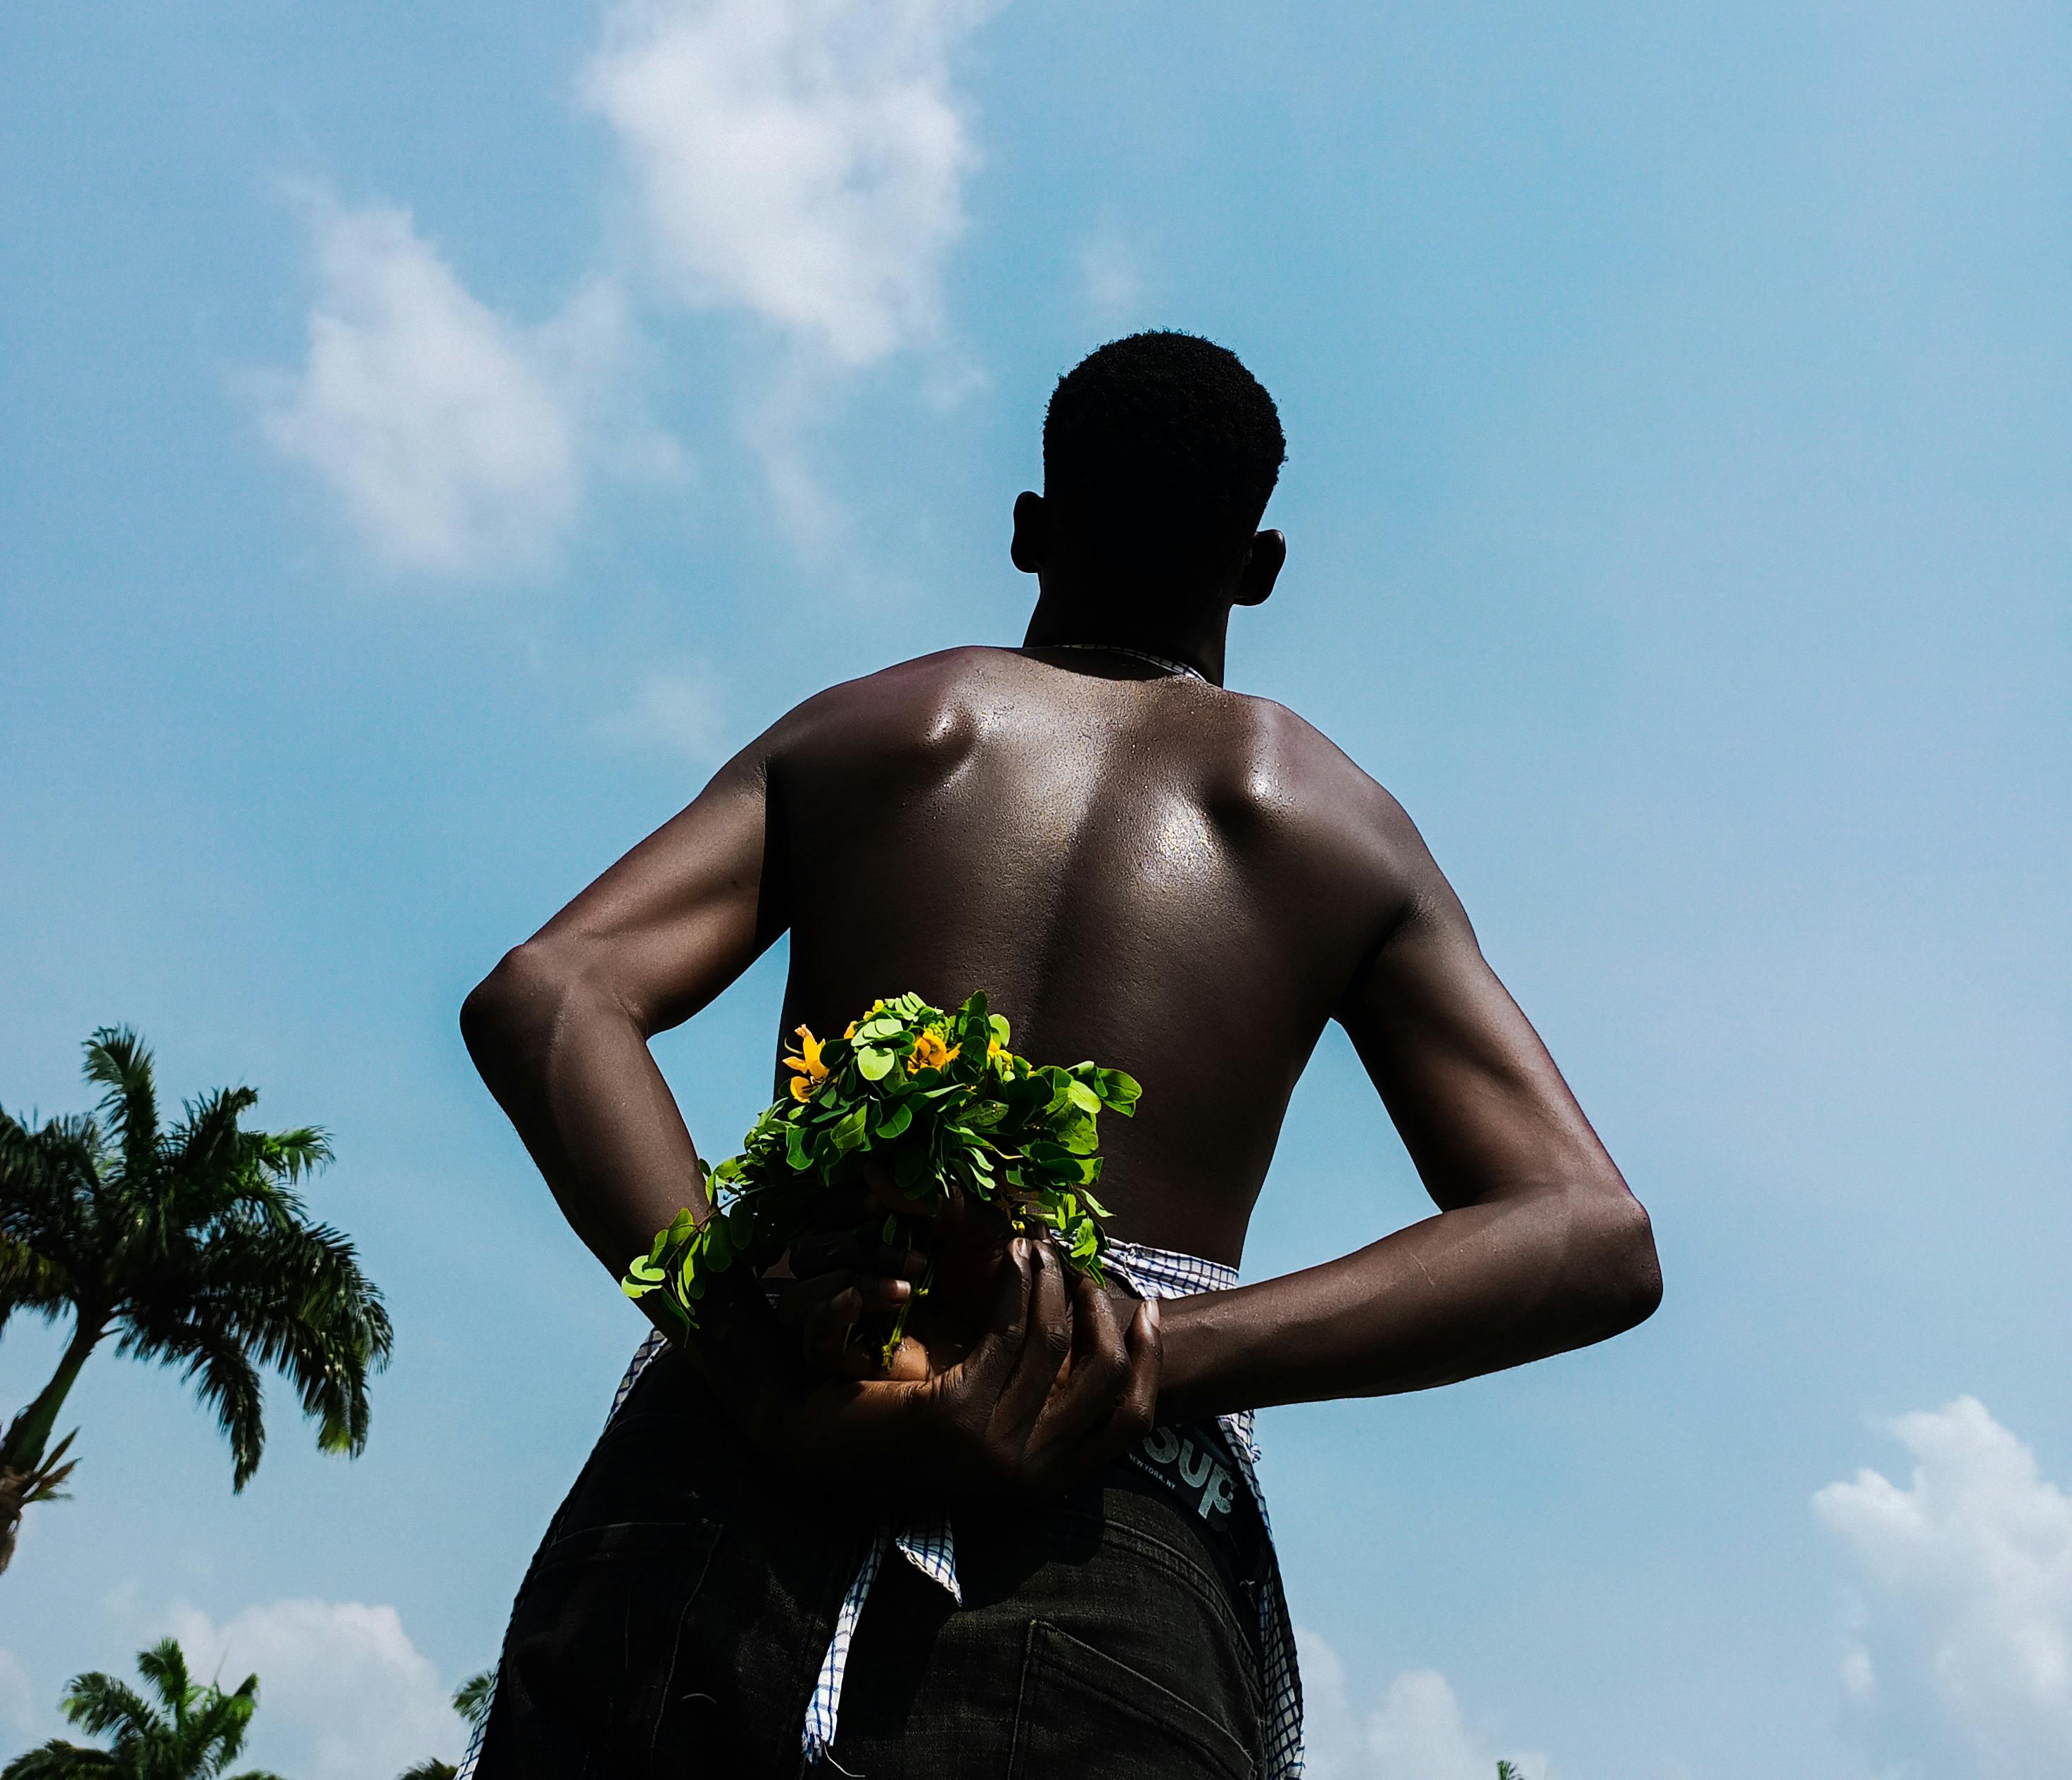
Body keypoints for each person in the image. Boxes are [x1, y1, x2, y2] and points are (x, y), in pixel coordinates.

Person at [458, 330, 1662, 1779]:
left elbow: (550, 994)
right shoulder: (1325, 819)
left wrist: (764, 1367)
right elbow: (1588, 1228)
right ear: (1257, 564)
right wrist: (1145, 1353)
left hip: (730, 1468)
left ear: (1030, 526)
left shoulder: (885, 727)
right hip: (1099, 1537)